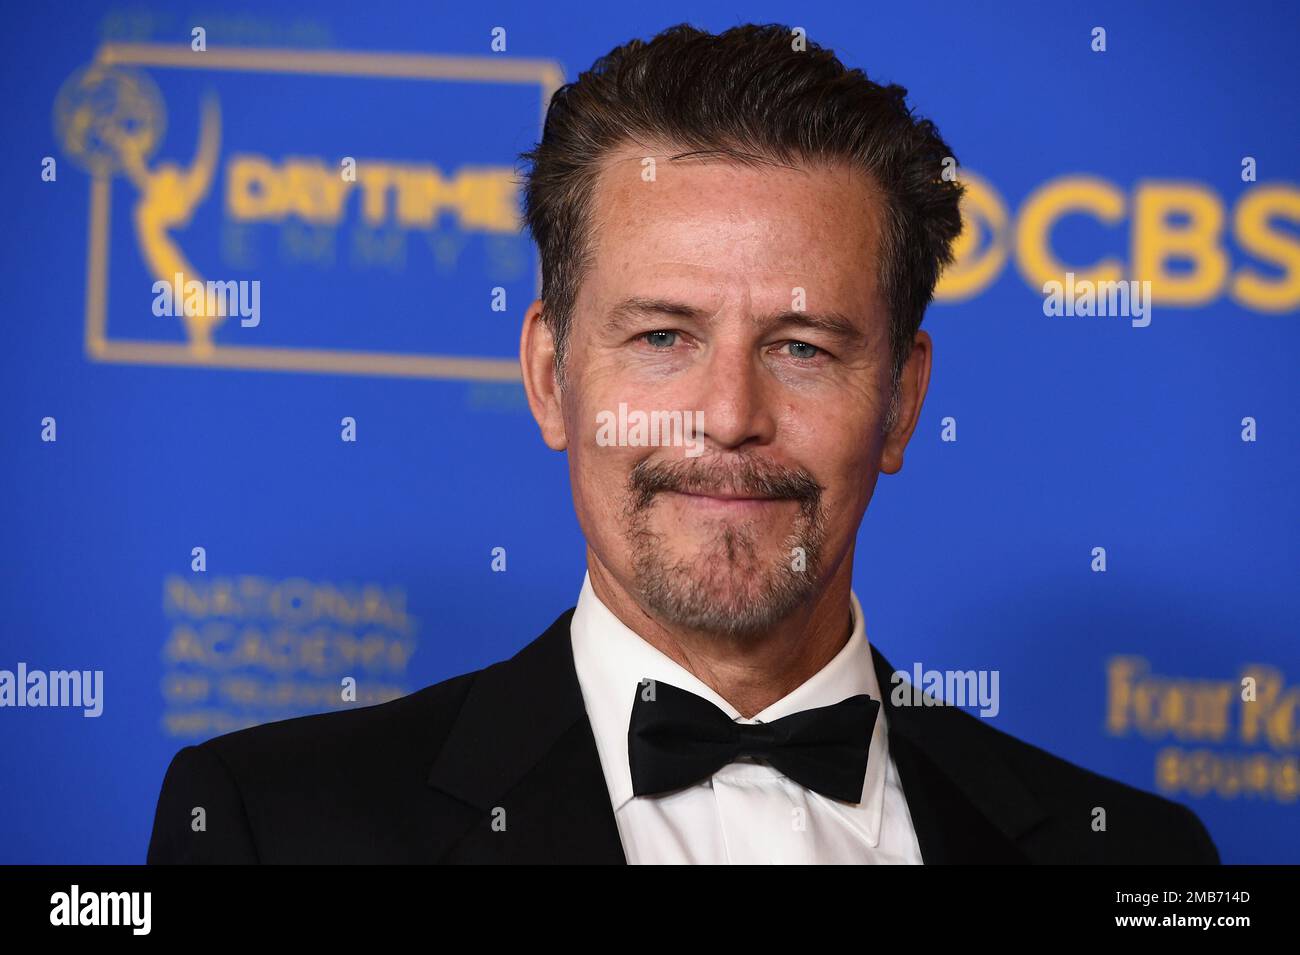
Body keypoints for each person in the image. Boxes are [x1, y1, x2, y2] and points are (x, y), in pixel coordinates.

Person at [147, 22, 1219, 864]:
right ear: (551, 376)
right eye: (662, 336)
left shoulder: (1134, 854)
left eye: (801, 347)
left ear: (899, 402)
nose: (726, 414)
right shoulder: (274, 826)